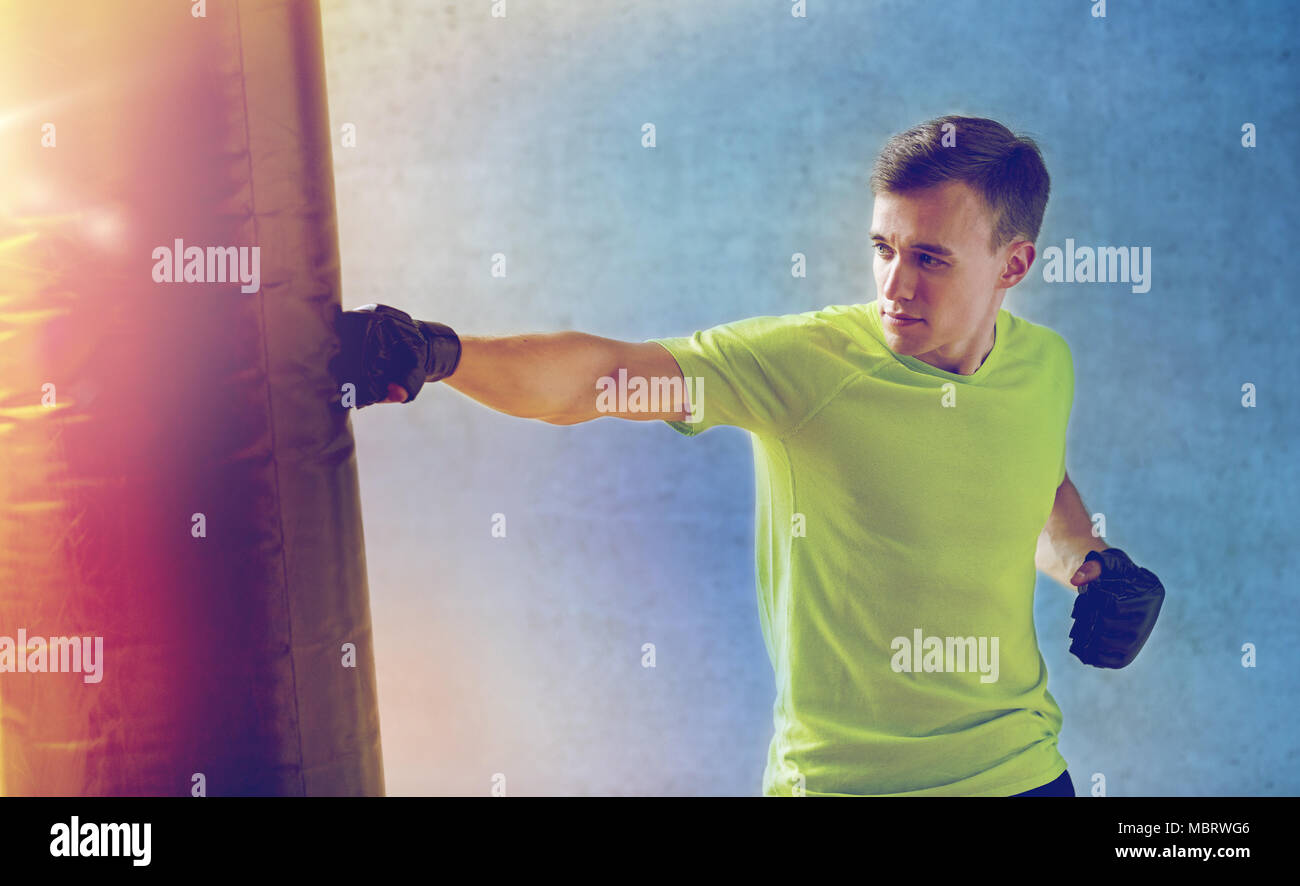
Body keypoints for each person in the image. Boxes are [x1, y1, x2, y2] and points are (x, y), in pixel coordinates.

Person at [336, 115, 1165, 797]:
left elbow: (1035, 481)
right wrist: (445, 355)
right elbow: (604, 379)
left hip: (1024, 775)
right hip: (849, 785)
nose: (894, 286)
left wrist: (1094, 562)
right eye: (884, 248)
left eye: (931, 259)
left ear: (1013, 265)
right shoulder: (806, 366)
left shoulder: (1045, 365)